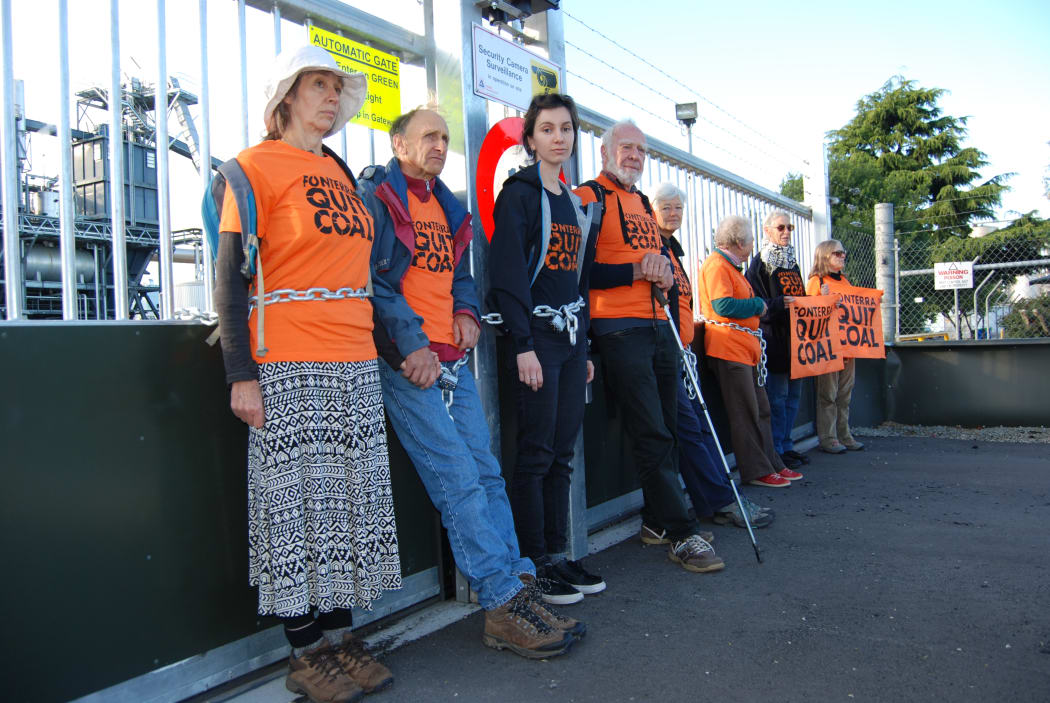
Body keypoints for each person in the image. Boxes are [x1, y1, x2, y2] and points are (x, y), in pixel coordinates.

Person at [357, 107, 580, 660]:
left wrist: (467, 311)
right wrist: (411, 344)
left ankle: (518, 586)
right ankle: (501, 603)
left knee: (486, 473)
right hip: (412, 364)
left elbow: (460, 274)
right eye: (428, 136)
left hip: (451, 359)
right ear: (399, 142)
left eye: (445, 138)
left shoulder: (447, 204)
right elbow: (373, 281)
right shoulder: (380, 197)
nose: (439, 145)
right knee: (458, 478)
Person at [214, 45, 400, 703]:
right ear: (287, 96)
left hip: (353, 358)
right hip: (288, 359)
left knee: (347, 504)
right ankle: (305, 651)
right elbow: (229, 280)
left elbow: (362, 274)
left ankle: (342, 637)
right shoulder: (251, 169)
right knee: (297, 511)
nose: (330, 97)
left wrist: (393, 347)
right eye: (317, 85)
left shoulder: (343, 172)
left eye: (335, 87)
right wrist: (242, 373)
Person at [575, 120, 724, 573]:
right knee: (651, 430)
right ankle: (682, 532)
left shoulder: (642, 202)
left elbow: (659, 266)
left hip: (659, 326)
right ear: (604, 152)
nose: (634, 155)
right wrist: (637, 271)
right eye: (626, 147)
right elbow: (579, 273)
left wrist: (658, 279)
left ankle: (657, 521)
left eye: (641, 149)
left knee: (672, 427)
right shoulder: (588, 198)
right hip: (618, 328)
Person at [488, 94, 604, 604]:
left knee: (562, 454)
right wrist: (523, 346)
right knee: (534, 454)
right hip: (536, 340)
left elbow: (580, 280)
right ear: (530, 139)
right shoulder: (518, 194)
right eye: (547, 129)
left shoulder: (576, 201)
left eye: (566, 129)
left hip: (572, 340)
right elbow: (509, 275)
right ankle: (533, 563)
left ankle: (557, 556)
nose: (559, 137)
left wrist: (588, 348)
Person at [651, 183, 773, 529]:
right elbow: (720, 305)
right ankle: (718, 501)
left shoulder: (675, 251)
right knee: (690, 429)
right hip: (669, 350)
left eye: (678, 208)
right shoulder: (661, 249)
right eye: (666, 208)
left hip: (685, 350)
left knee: (700, 430)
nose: (674, 213)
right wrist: (758, 305)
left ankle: (721, 498)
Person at [696, 215, 797, 489]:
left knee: (762, 409)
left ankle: (772, 463)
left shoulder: (731, 267)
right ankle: (755, 470)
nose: (753, 245)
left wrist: (755, 305)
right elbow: (723, 307)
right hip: (729, 349)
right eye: (752, 240)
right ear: (740, 242)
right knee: (745, 413)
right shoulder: (717, 265)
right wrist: (757, 305)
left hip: (745, 349)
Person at [745, 211, 810, 471]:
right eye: (781, 227)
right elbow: (756, 303)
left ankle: (787, 444)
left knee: (793, 396)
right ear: (767, 230)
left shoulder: (792, 264)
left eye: (789, 227)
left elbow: (802, 298)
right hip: (775, 341)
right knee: (778, 397)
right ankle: (776, 449)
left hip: (797, 341)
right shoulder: (760, 264)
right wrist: (778, 304)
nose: (786, 232)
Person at [806, 239, 865, 453]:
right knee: (828, 395)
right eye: (838, 253)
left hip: (848, 346)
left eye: (843, 253)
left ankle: (844, 434)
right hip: (827, 347)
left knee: (845, 394)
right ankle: (829, 437)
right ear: (825, 256)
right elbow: (808, 313)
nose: (843, 256)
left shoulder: (845, 281)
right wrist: (824, 300)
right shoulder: (817, 281)